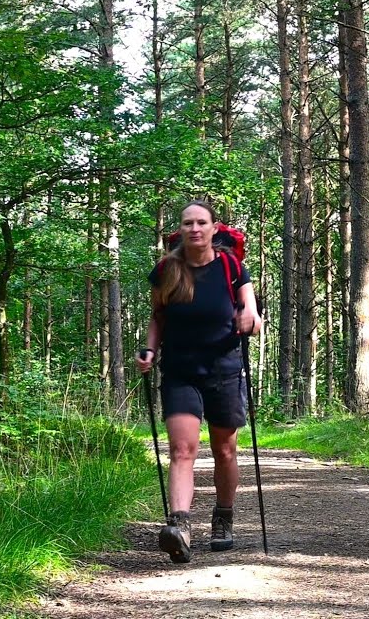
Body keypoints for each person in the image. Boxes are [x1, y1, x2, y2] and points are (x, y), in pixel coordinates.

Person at [136, 200, 261, 564]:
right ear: (181, 229)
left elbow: (251, 313)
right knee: (182, 449)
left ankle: (223, 517)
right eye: (188, 223)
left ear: (213, 228)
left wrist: (249, 318)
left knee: (225, 450)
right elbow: (157, 318)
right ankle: (180, 526)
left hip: (224, 368)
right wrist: (148, 349)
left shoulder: (232, 267)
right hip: (180, 370)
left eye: (201, 222)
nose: (194, 229)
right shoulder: (166, 271)